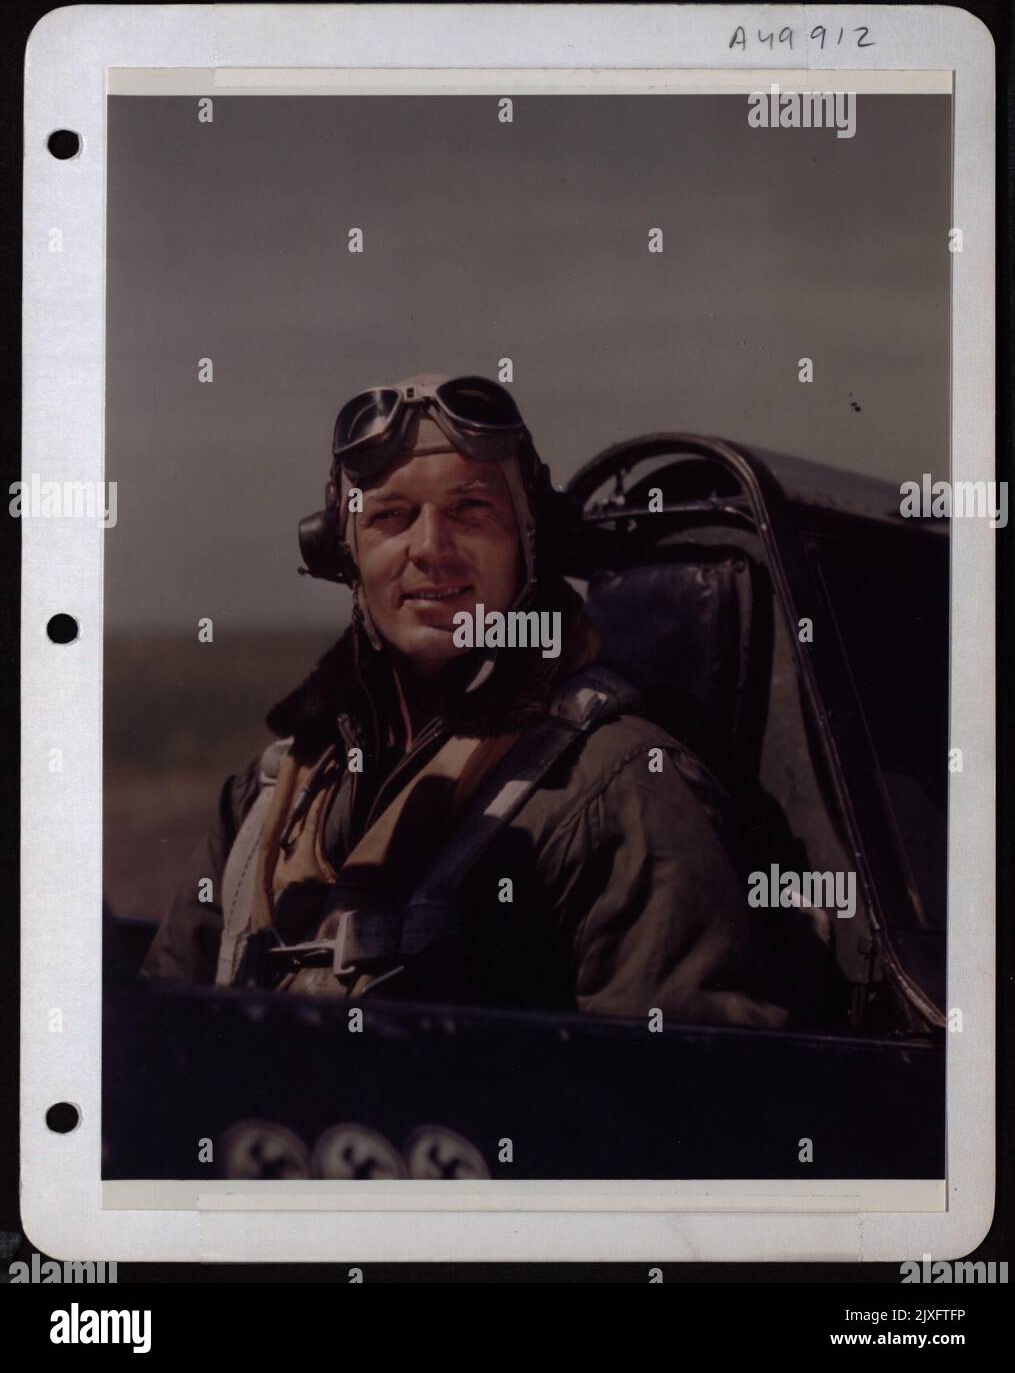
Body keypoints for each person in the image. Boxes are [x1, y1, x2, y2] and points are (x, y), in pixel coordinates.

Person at [142, 372, 843, 1026]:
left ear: (530, 542)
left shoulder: (621, 790)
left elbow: (679, 1109)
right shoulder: (267, 800)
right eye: (390, 516)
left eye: (470, 509)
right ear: (341, 549)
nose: (430, 548)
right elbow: (163, 1042)